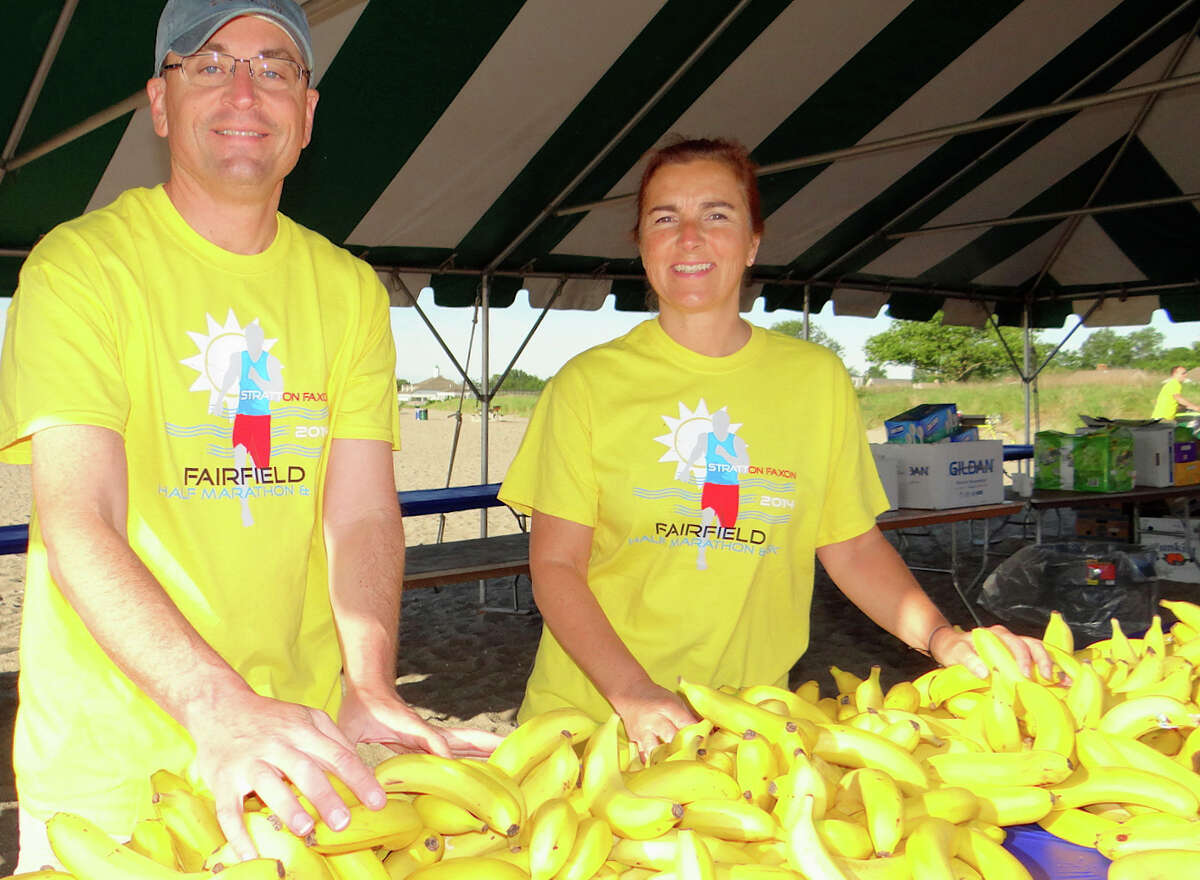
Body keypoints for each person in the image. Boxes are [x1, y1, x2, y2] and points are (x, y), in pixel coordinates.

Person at [0, 0, 497, 870]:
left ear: (306, 114)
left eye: (274, 68)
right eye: (208, 64)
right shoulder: (80, 268)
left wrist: (368, 682)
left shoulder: (348, 290)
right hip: (115, 773)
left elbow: (361, 515)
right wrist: (216, 705)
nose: (243, 91)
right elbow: (80, 516)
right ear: (161, 103)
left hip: (299, 755)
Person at [498, 137, 1052, 757]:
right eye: (664, 218)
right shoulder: (587, 383)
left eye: (716, 214)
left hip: (752, 726)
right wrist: (634, 693)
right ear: (642, 245)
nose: (689, 238)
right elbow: (557, 565)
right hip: (591, 719)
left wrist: (942, 637)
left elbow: (851, 545)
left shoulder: (816, 380)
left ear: (752, 243)